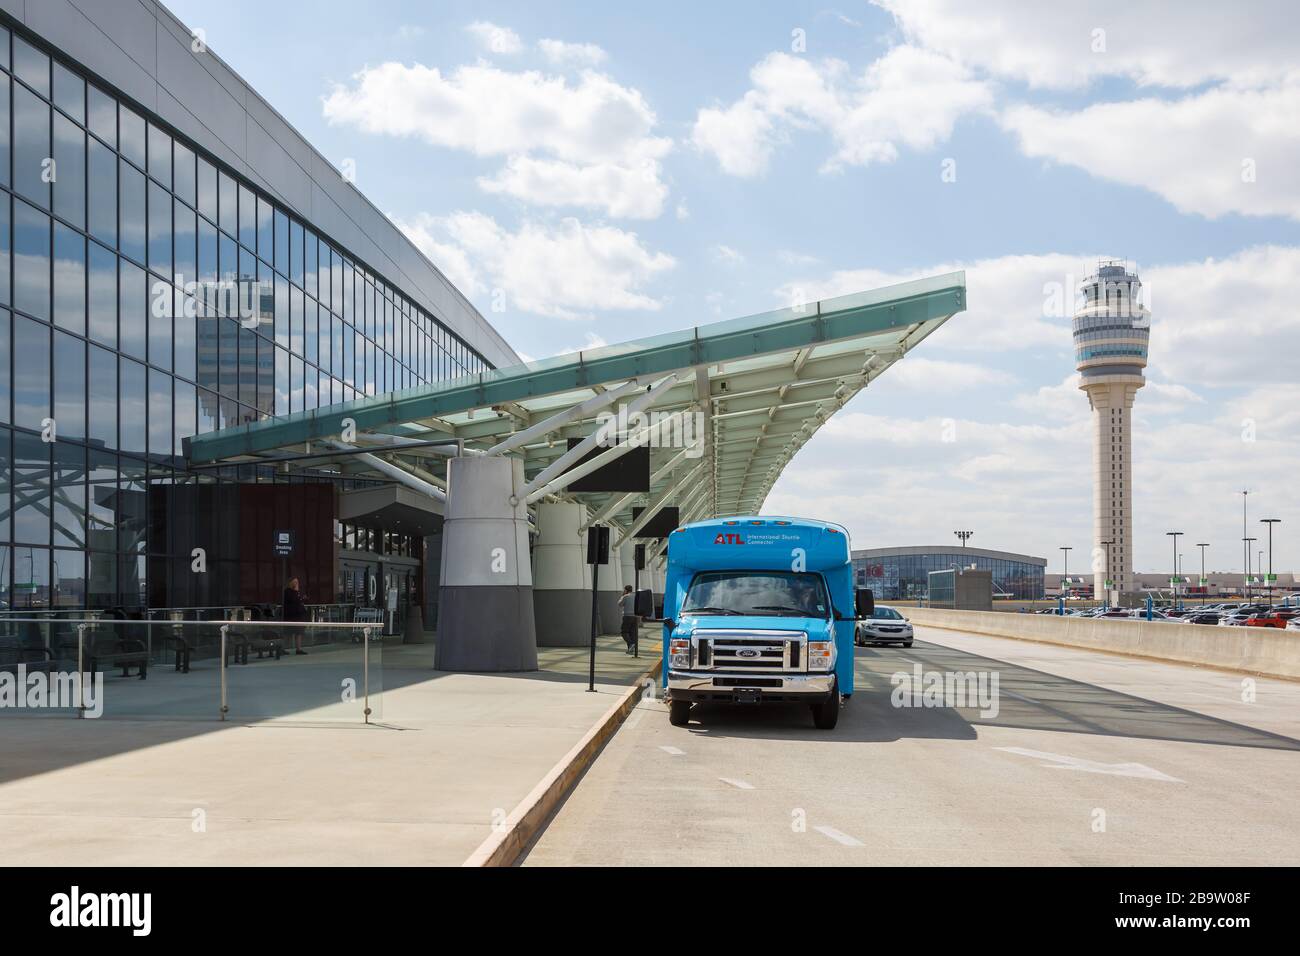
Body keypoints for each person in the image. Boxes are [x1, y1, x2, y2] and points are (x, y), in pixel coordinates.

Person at [282, 577, 309, 654]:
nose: (296, 584)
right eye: (295, 582)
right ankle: (282, 648)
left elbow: (299, 600)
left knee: (299, 632)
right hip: (291, 616)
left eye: (297, 582)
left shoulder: (298, 592)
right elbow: (293, 600)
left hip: (299, 615)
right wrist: (296, 592)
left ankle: (298, 649)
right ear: (290, 583)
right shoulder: (287, 592)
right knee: (287, 634)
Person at [619, 585, 638, 655]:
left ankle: (631, 644)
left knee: (624, 632)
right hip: (635, 617)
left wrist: (622, 596)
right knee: (632, 633)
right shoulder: (636, 596)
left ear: (626, 590)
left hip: (627, 616)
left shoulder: (625, 596)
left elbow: (620, 604)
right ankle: (630, 650)